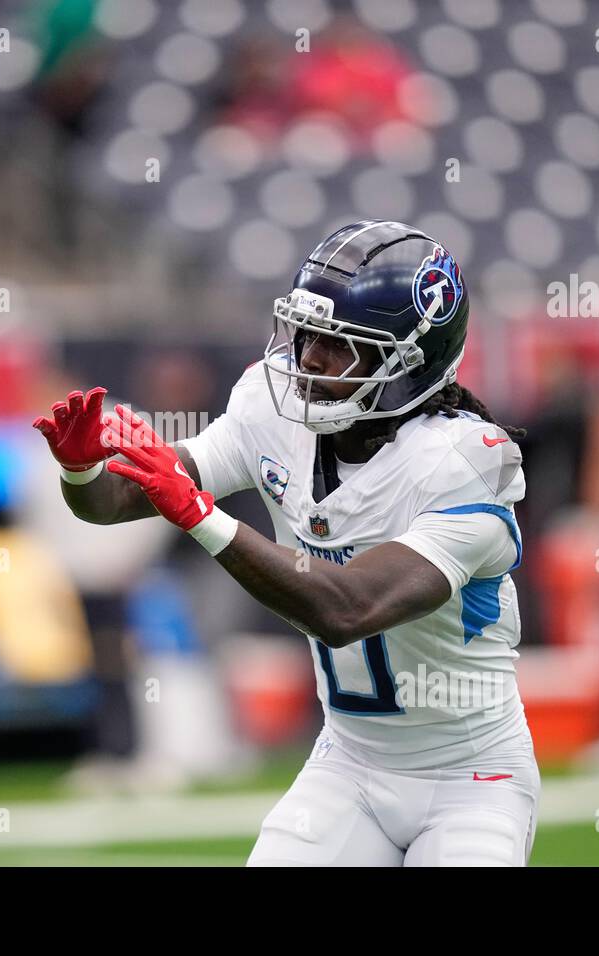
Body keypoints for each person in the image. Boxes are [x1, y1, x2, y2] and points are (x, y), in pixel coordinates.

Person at [33, 220, 539, 866]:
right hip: (350, 762)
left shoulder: (467, 461)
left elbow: (345, 610)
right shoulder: (274, 412)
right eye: (306, 333)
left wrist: (200, 517)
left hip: (472, 778)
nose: (308, 358)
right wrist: (83, 471)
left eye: (338, 344)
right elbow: (121, 500)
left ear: (408, 363)